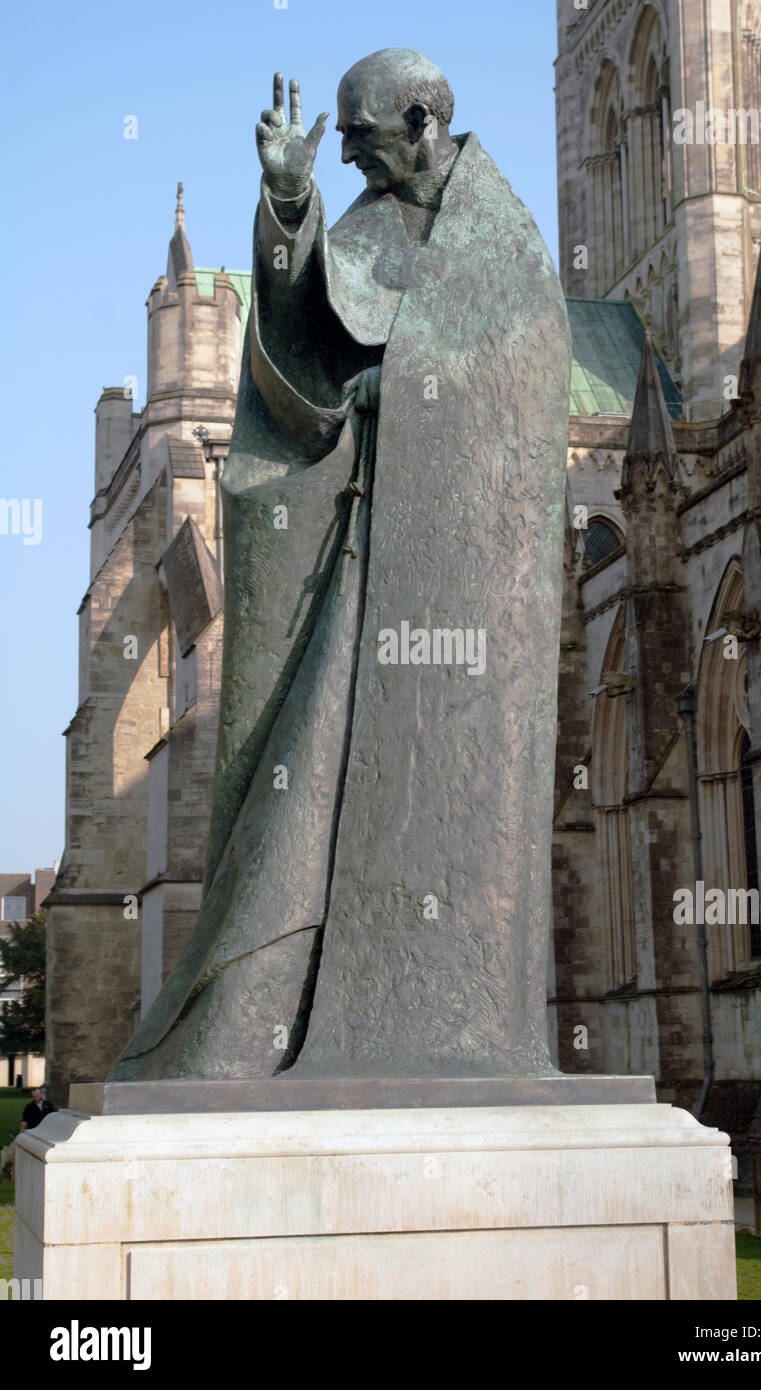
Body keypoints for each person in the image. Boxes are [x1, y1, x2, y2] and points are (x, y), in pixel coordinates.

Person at [110, 49, 569, 1082]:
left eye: (359, 138)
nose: (349, 155)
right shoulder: (363, 212)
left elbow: (512, 374)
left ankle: (441, 1032)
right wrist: (287, 205)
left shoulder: (499, 241)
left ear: (419, 119)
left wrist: (399, 393)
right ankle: (258, 1016)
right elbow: (305, 333)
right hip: (366, 565)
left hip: (462, 600)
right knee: (299, 778)